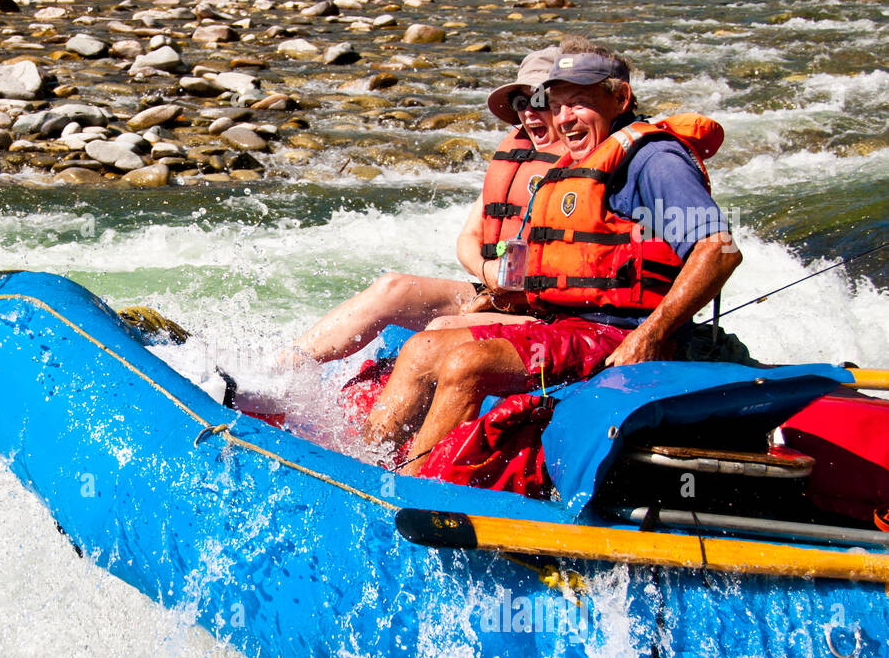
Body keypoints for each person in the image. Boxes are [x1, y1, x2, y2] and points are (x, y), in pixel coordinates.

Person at [366, 36, 741, 472]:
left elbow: (718, 249)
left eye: (578, 103)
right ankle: (366, 461)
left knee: (468, 363)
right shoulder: (575, 163)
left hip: (617, 336)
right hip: (566, 327)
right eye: (557, 106)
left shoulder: (653, 160)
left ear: (620, 97)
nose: (564, 119)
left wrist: (651, 334)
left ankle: (417, 488)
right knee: (423, 347)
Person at [286, 48, 565, 364]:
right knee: (391, 287)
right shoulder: (521, 155)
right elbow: (468, 239)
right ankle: (276, 374)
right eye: (520, 103)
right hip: (498, 291)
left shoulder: (588, 164)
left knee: (442, 329)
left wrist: (504, 292)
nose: (529, 112)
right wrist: (491, 278)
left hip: (548, 312)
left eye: (540, 100)